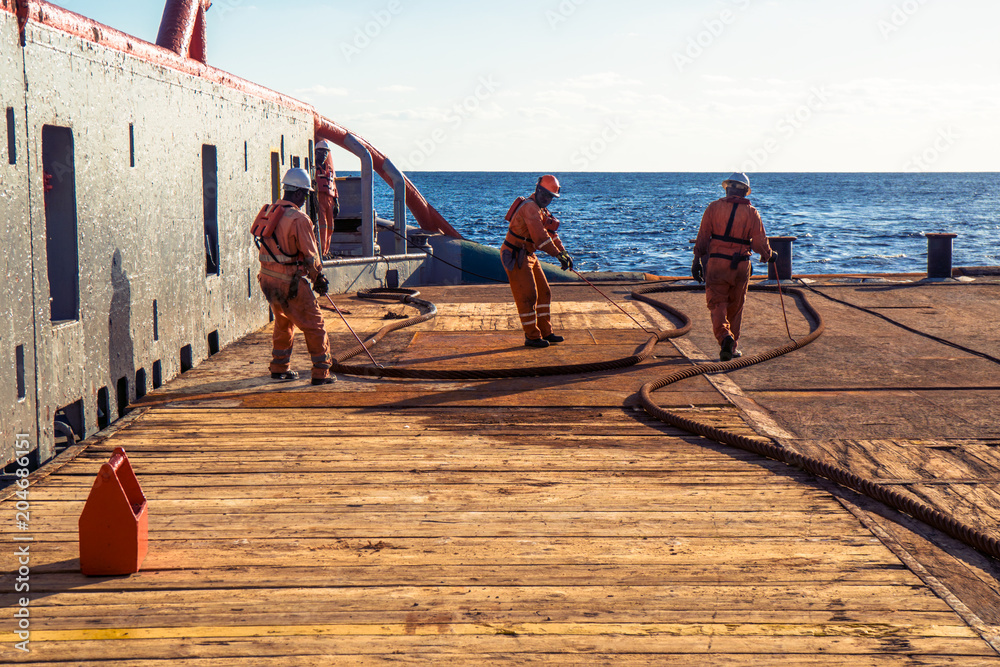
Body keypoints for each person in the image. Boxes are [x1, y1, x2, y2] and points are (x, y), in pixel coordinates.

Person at [257, 168, 335, 385]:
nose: (304, 200)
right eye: (306, 195)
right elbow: (310, 257)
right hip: (288, 282)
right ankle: (322, 372)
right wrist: (318, 278)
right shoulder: (299, 219)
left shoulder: (270, 212)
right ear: (300, 194)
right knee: (315, 324)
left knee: (283, 321)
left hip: (267, 280)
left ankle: (279, 367)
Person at [692, 172, 777, 361]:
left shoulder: (713, 208)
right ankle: (732, 347)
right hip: (741, 265)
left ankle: (725, 337)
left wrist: (696, 261)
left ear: (727, 188)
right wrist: (769, 255)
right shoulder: (752, 212)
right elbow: (760, 243)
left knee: (717, 303)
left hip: (717, 265)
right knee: (736, 306)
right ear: (746, 193)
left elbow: (703, 237)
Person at [500, 174, 573, 348]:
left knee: (544, 292)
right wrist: (557, 255)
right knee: (528, 295)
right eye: (544, 194)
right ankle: (531, 336)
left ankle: (546, 332)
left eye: (550, 197)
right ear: (537, 190)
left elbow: (551, 234)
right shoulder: (530, 208)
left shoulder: (541, 209)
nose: (547, 199)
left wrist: (564, 252)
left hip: (529, 254)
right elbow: (541, 239)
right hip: (515, 255)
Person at [314, 139, 339, 258]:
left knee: (330, 227)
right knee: (322, 226)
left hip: (330, 200)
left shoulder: (329, 168)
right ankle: (321, 252)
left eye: (325, 153)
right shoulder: (313, 168)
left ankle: (326, 251)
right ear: (316, 153)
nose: (324, 155)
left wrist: (336, 203)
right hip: (319, 199)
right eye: (321, 152)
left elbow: (333, 185)